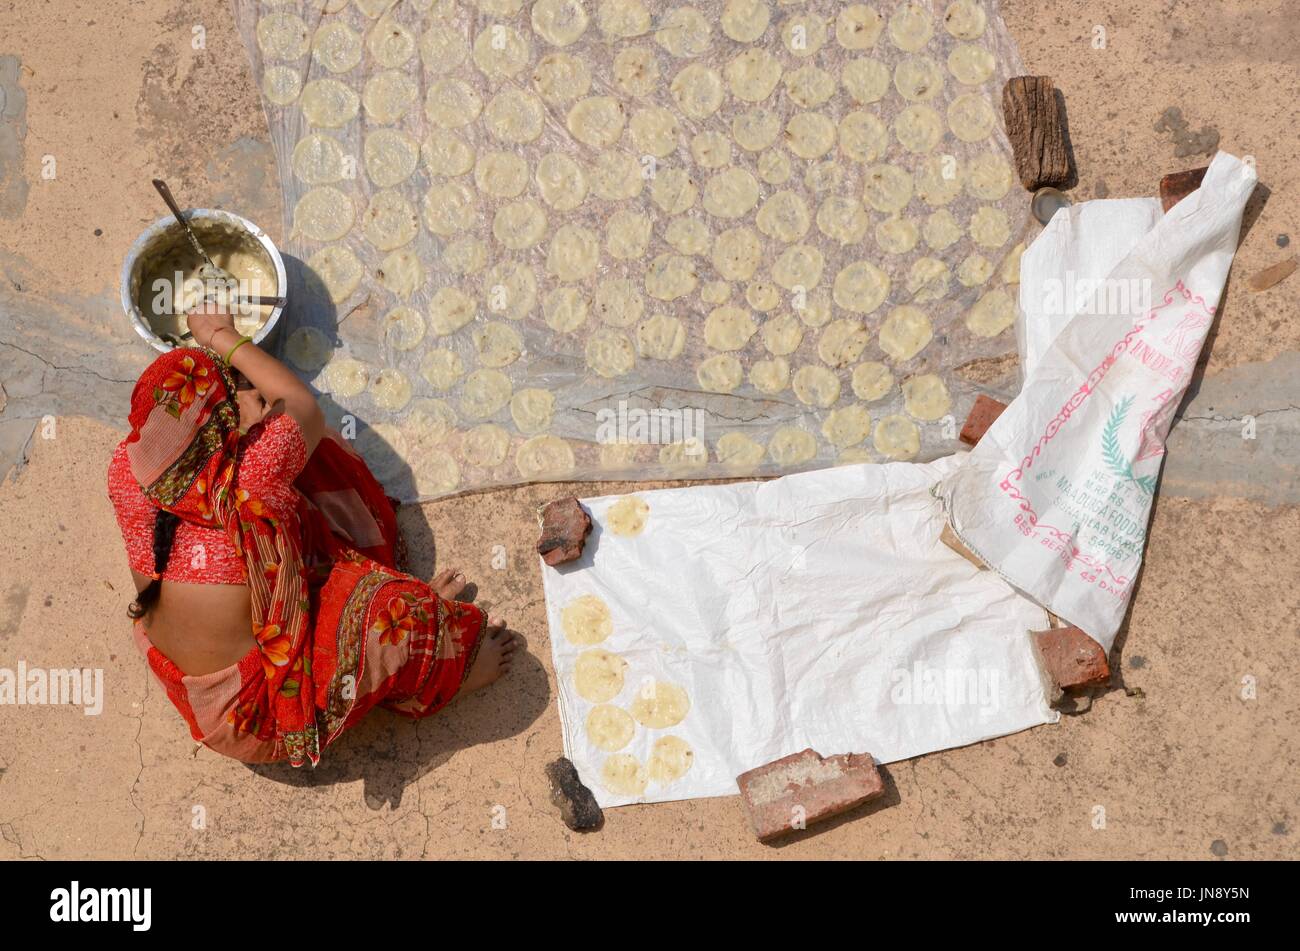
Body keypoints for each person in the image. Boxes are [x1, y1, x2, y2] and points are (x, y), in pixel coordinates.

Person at [107, 304, 518, 765]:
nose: (247, 399)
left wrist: (244, 417)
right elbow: (302, 406)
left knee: (293, 454)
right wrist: (221, 335)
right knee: (397, 613)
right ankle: (448, 672)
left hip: (195, 681)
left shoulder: (129, 472)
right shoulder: (252, 487)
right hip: (257, 713)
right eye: (231, 399)